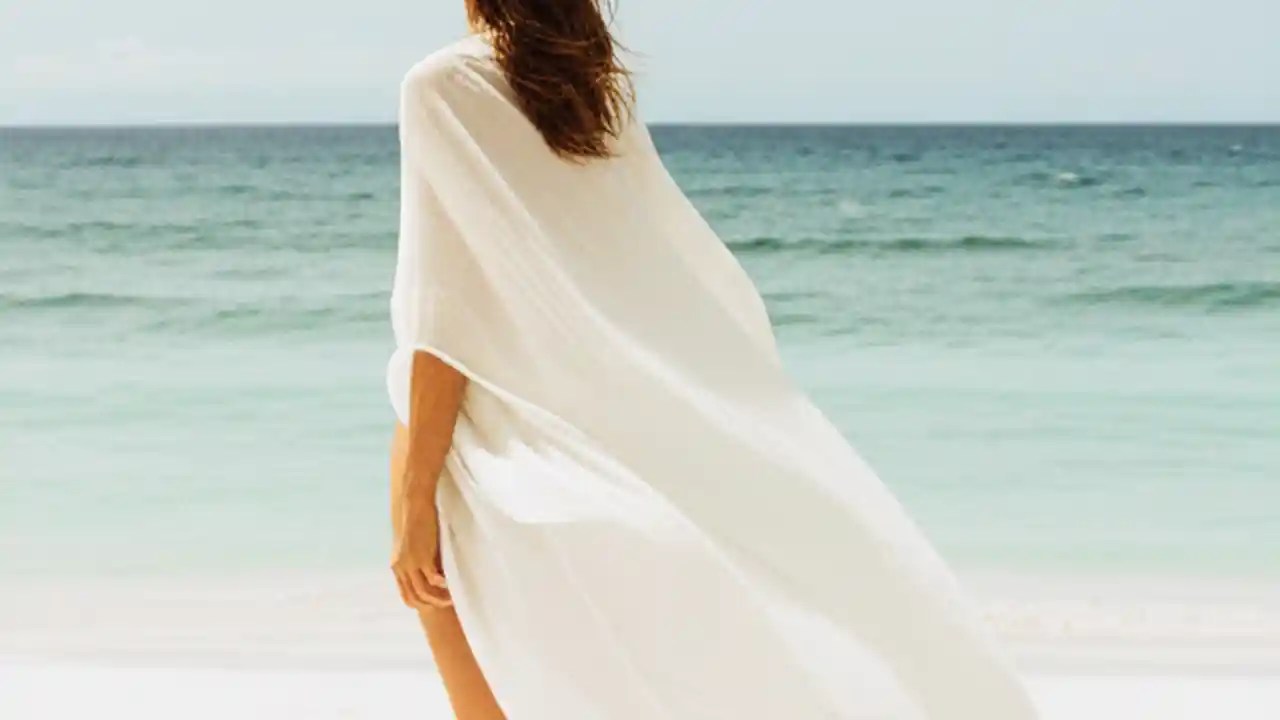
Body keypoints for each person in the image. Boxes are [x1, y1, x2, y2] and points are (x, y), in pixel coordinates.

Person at [386, 1, 1040, 718]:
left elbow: (442, 310)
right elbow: (645, 262)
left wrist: (415, 498)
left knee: (483, 670)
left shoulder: (441, 87)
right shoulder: (591, 91)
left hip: (507, 434)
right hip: (607, 427)